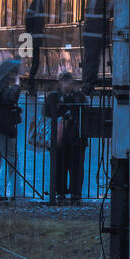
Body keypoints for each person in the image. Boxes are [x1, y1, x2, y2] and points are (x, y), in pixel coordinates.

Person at [44, 71, 87, 204]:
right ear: (60, 82)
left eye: (68, 81)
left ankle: (73, 193)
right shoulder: (53, 96)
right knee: (62, 166)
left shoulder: (78, 96)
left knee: (75, 166)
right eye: (64, 81)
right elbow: (46, 115)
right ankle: (62, 192)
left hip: (74, 137)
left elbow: (85, 113)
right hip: (62, 137)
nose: (67, 84)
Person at [0, 61, 23, 202]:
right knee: (11, 159)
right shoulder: (3, 86)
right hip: (4, 128)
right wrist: (17, 85)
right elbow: (11, 98)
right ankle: (15, 191)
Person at [81, 0, 110, 95]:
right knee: (92, 63)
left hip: (91, 37)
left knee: (91, 62)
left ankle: (88, 85)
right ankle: (88, 86)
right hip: (94, 37)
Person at [24, 0, 47, 93]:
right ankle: (31, 83)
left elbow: (29, 23)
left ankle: (31, 84)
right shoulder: (38, 6)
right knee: (36, 62)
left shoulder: (32, 9)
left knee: (35, 61)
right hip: (36, 39)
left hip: (34, 37)